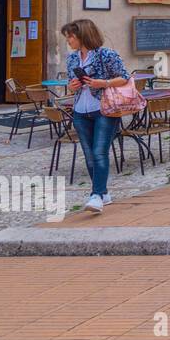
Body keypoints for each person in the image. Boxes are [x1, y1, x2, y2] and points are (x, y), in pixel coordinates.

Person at [62, 19, 129, 214]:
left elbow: (124, 77)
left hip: (104, 110)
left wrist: (103, 83)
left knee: (100, 152)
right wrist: (71, 86)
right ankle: (103, 193)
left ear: (82, 35)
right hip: (80, 111)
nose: (68, 40)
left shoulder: (106, 54)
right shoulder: (72, 59)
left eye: (70, 36)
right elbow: (71, 82)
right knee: (90, 156)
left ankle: (96, 196)